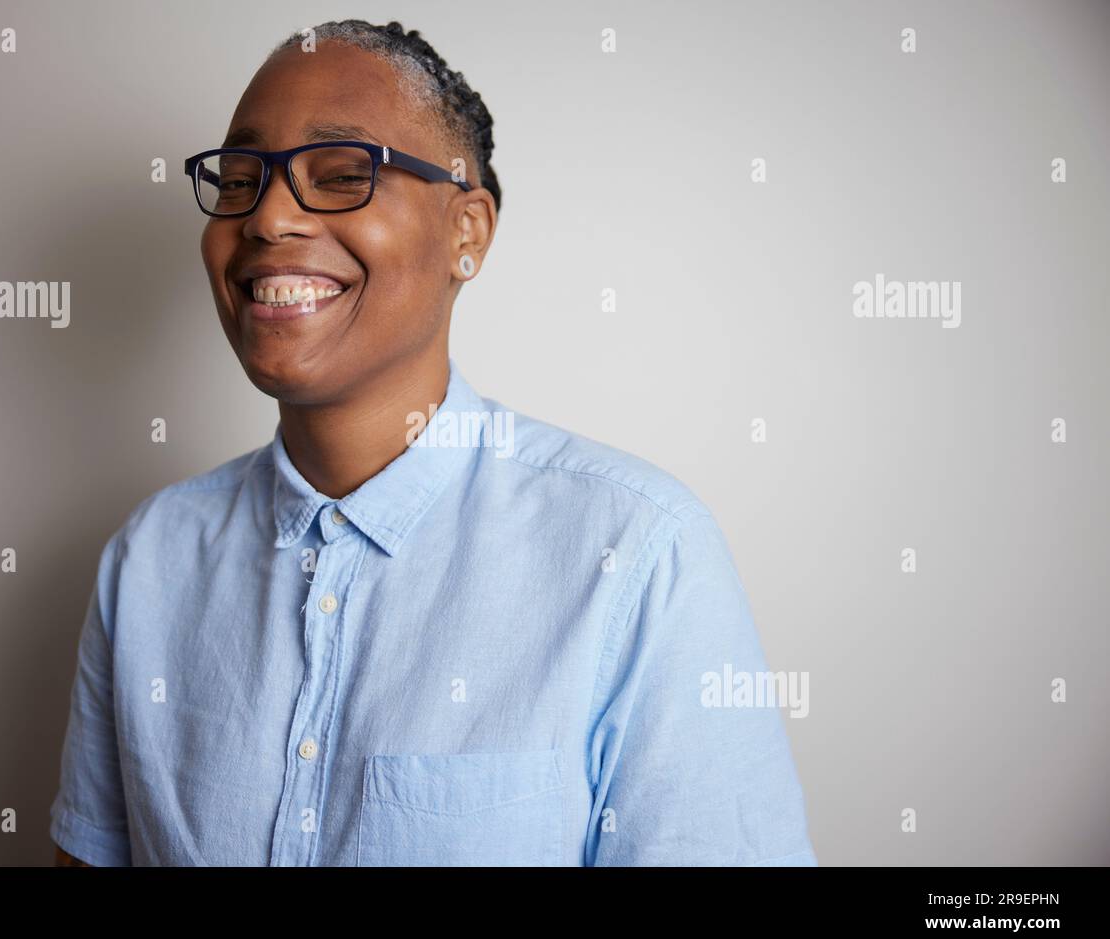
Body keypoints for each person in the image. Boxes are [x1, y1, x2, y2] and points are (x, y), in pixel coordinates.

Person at [49, 18, 817, 867]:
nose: (267, 217)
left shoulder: (638, 554)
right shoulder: (150, 559)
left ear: (468, 232)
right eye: (239, 179)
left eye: (340, 175)